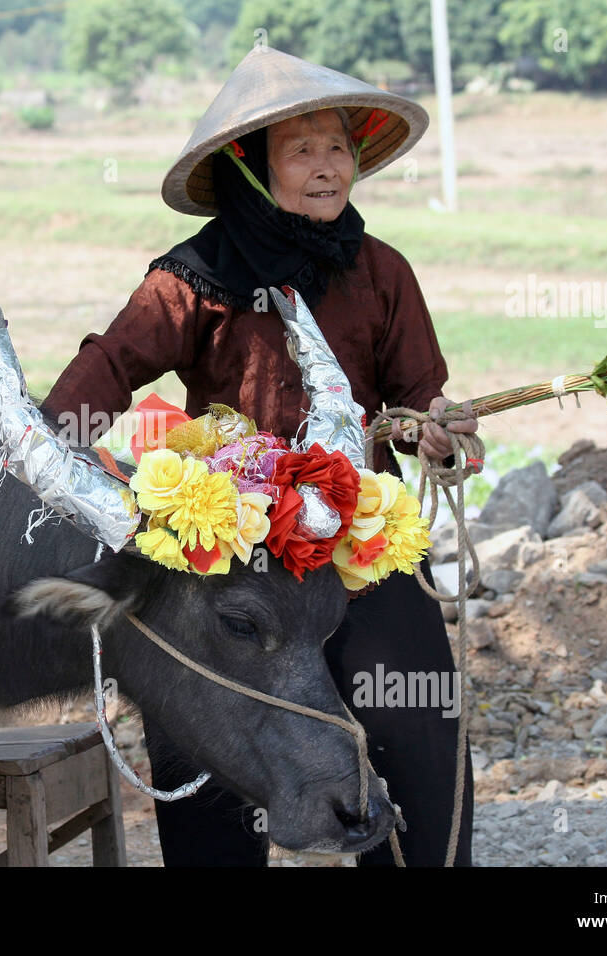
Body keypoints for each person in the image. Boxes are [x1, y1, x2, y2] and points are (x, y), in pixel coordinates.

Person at [39, 47, 477, 866]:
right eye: (302, 150)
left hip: (353, 539)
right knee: (207, 734)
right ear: (249, 166)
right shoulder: (192, 279)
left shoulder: (381, 272)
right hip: (229, 551)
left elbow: (418, 401)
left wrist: (440, 430)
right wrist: (57, 453)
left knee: (416, 722)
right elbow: (105, 371)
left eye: (338, 147)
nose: (328, 167)